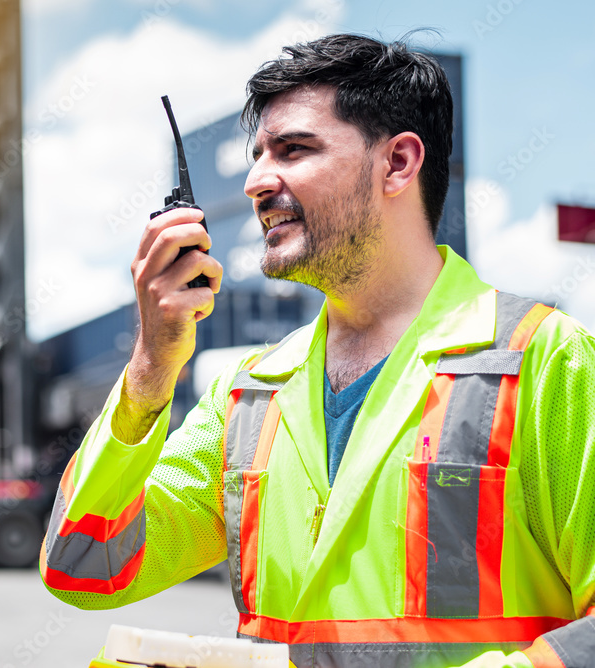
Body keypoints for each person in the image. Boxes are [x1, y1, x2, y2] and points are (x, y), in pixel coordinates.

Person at [40, 33, 595, 668]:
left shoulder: (547, 362)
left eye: (294, 149)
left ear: (397, 164)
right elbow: (83, 564)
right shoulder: (252, 393)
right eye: (256, 156)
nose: (255, 182)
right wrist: (150, 366)